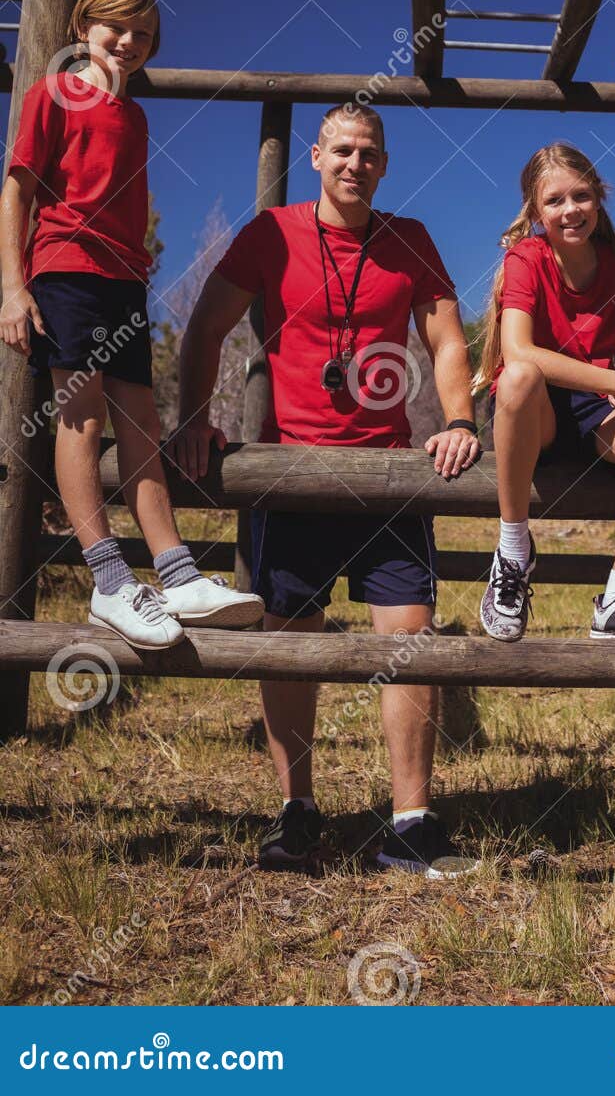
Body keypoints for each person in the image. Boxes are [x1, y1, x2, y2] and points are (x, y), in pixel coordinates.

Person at [169, 103, 482, 877]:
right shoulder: (270, 234)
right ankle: (298, 811)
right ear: (315, 156)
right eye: (341, 150)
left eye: (369, 153)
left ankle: (410, 823)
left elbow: (446, 339)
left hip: (386, 472)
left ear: (384, 164)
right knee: (288, 640)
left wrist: (459, 419)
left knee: (408, 639)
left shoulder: (409, 241)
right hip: (296, 469)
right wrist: (193, 422)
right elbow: (206, 326)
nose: (354, 163)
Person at [0, 0, 262, 649]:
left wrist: (139, 269)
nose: (129, 44)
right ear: (84, 26)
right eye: (116, 28)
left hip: (123, 280)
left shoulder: (135, 115)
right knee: (81, 416)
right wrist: (12, 287)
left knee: (142, 422)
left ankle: (176, 573)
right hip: (64, 268)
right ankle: (110, 579)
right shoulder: (52, 93)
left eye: (143, 35)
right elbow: (17, 193)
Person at [473, 143, 615, 652]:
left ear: (599, 200)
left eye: (582, 196)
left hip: (598, 416)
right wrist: (613, 382)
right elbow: (518, 351)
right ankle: (512, 551)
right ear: (534, 211)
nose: (570, 210)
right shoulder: (525, 259)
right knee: (520, 377)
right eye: (554, 201)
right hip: (534, 411)